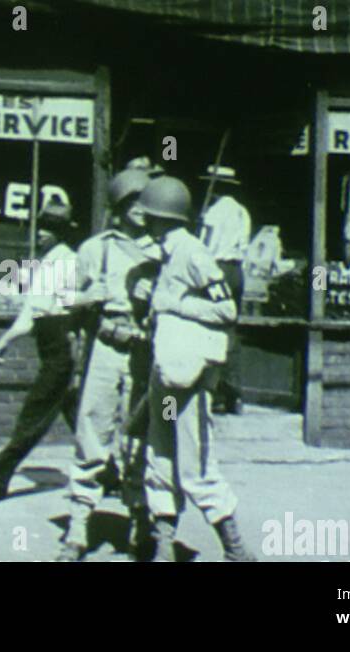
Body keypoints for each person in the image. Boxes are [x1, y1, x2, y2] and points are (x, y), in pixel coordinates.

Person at [138, 175, 256, 562]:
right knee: (161, 452)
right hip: (166, 373)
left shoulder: (194, 253)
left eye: (151, 217)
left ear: (161, 217)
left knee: (196, 463)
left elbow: (227, 310)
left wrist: (174, 304)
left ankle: (235, 549)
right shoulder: (165, 252)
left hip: (189, 375)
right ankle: (164, 543)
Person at [56, 168, 158, 562]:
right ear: (118, 207)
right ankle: (78, 528)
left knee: (138, 437)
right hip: (104, 346)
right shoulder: (95, 248)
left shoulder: (164, 251)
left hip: (143, 348)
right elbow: (61, 297)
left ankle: (139, 523)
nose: (139, 210)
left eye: (144, 201)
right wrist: (86, 297)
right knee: (92, 432)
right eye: (131, 202)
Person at [0, 199, 82, 502]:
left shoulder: (68, 261)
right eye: (41, 227)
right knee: (76, 414)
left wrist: (76, 352)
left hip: (62, 345)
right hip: (50, 344)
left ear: (62, 232)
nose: (42, 233)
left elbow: (62, 309)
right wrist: (3, 342)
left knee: (35, 411)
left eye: (51, 229)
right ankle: (111, 474)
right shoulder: (46, 262)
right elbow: (30, 313)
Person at [198, 164, 251, 414]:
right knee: (230, 326)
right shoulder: (242, 212)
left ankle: (216, 389)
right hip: (237, 272)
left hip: (217, 270)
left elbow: (203, 248)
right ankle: (232, 392)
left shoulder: (213, 213)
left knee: (210, 325)